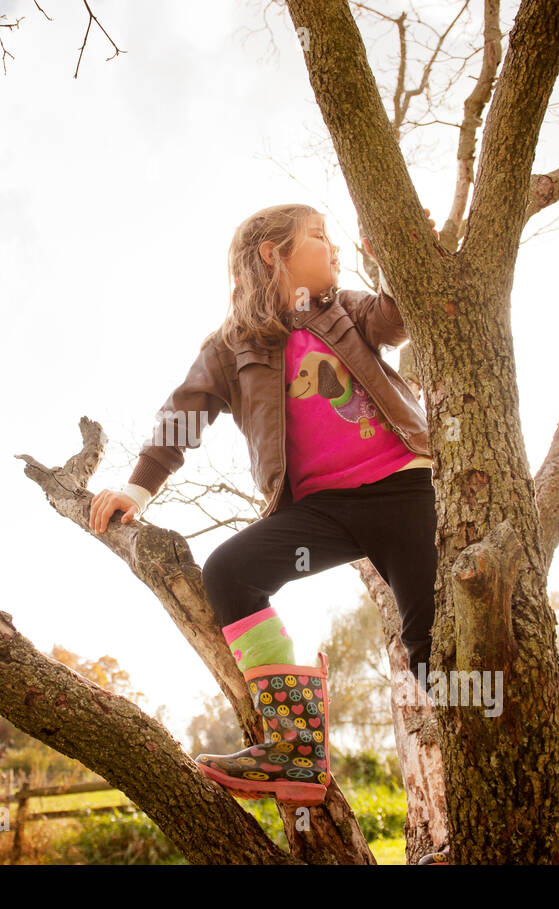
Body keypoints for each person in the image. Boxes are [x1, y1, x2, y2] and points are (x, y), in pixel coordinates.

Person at [88, 203, 437, 806]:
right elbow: (184, 415)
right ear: (272, 254)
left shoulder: (348, 309)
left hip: (404, 490)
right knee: (230, 572)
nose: (333, 248)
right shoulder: (230, 347)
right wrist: (138, 487)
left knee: (431, 653)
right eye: (319, 237)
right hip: (320, 512)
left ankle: (506, 755)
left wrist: (397, 257)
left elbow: (398, 319)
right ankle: (296, 748)